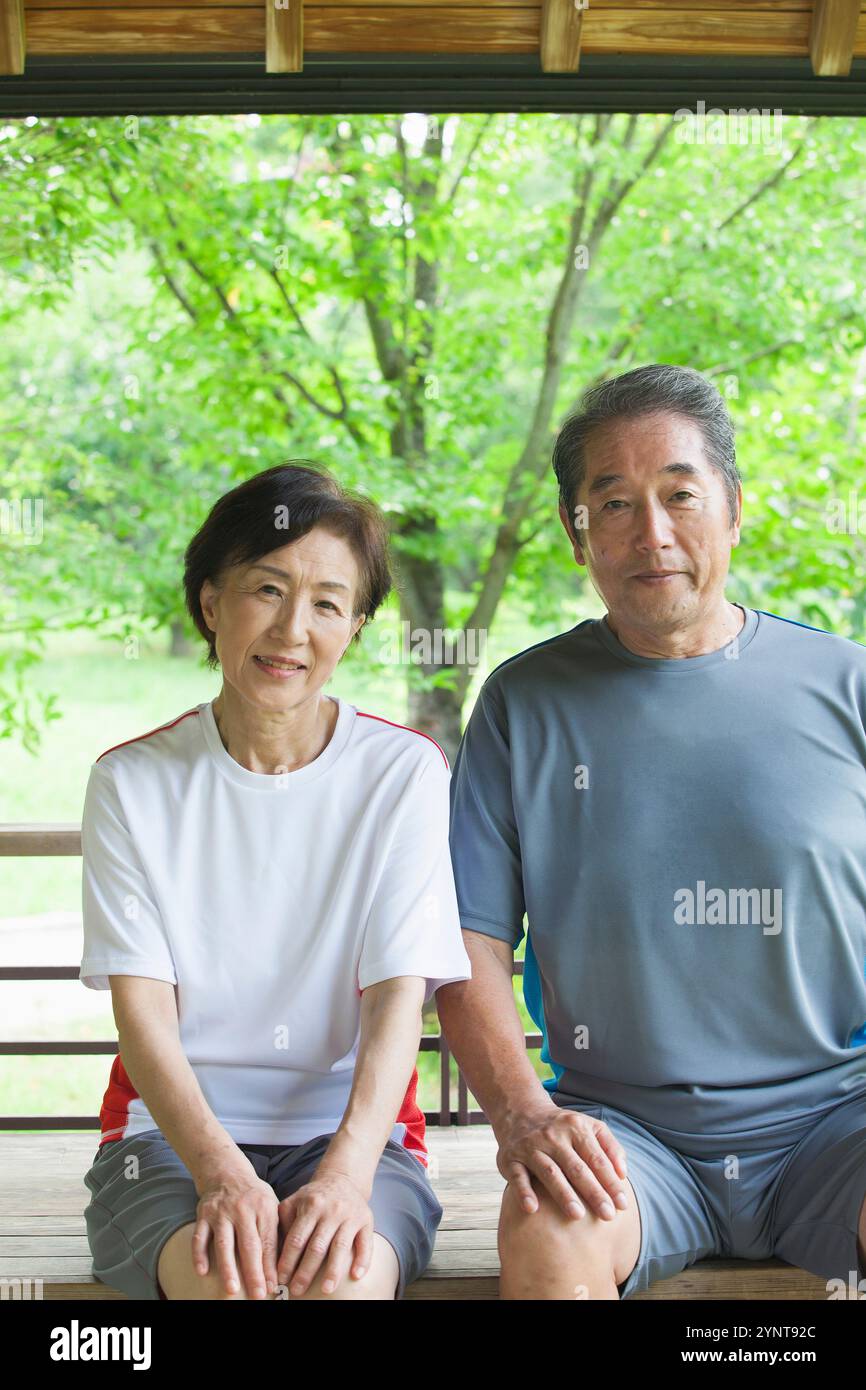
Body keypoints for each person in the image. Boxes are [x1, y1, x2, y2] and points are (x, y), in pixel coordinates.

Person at [438, 362, 866, 1299]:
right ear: (575, 533)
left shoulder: (848, 687)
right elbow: (464, 939)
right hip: (622, 1139)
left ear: (734, 508)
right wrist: (522, 1115)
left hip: (841, 1121)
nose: (654, 534)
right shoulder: (523, 705)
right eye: (616, 504)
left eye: (680, 494)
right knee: (551, 1249)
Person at [80, 461, 471, 1301]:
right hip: (170, 1143)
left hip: (355, 1140)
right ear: (212, 602)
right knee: (238, 1290)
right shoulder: (133, 783)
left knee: (333, 1290)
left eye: (328, 603)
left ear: (354, 629)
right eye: (266, 588)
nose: (293, 629)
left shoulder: (402, 774)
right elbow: (142, 1011)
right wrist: (222, 1172)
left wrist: (344, 1178)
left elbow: (398, 996)